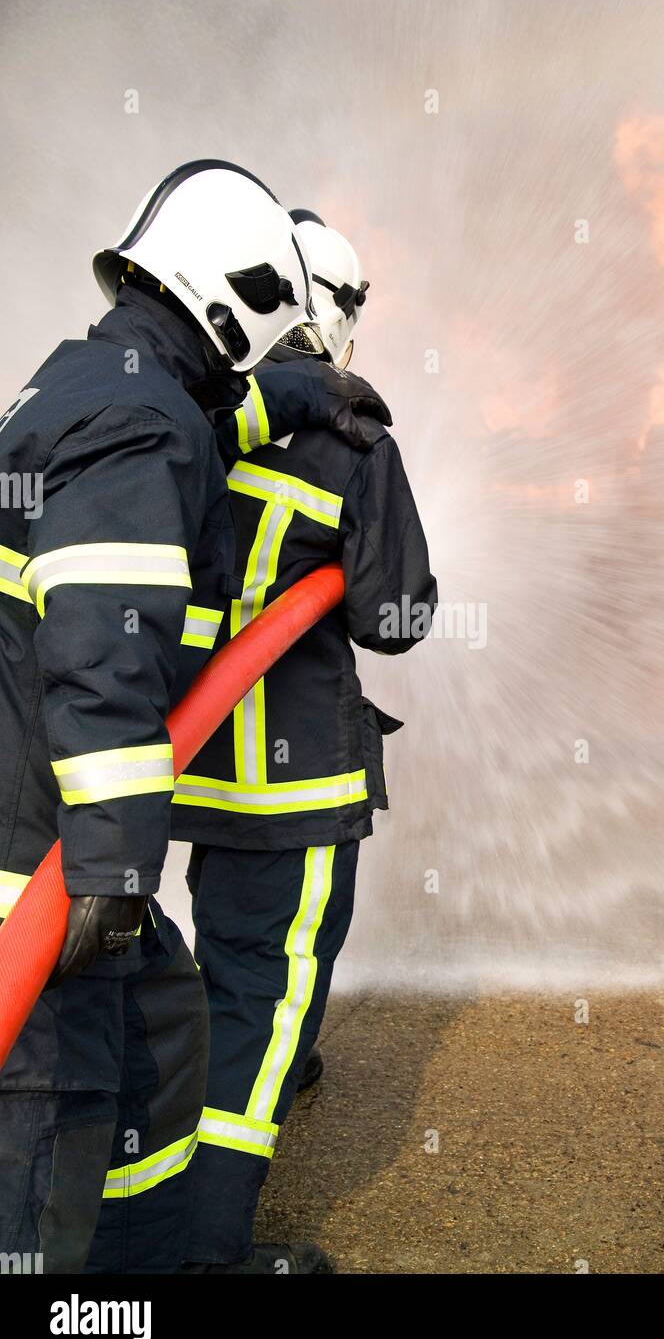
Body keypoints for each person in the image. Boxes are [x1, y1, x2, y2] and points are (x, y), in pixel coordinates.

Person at [0, 160, 333, 1274]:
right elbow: (102, 664)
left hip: (59, 849)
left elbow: (198, 421)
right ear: (231, 297)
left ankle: (143, 1278)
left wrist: (289, 400)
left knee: (158, 1037)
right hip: (43, 878)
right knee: (54, 1119)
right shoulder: (139, 426)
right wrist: (107, 882)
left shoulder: (94, 382)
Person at [171, 210, 438, 1273]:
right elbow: (397, 619)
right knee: (270, 997)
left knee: (234, 961)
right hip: (300, 787)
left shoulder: (181, 423)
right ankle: (205, 1252)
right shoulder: (352, 440)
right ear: (334, 315)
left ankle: (274, 1062)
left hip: (197, 779)